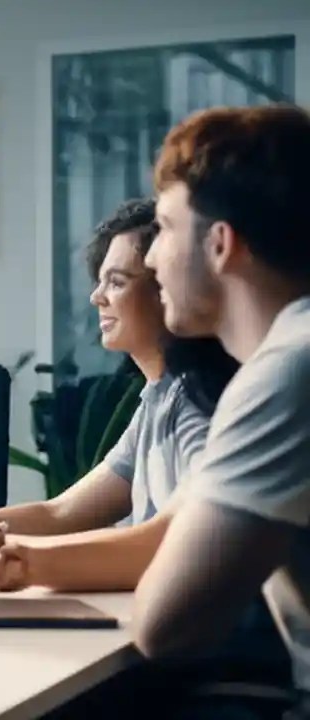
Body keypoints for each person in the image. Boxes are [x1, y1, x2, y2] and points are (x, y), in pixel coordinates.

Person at [0, 200, 237, 596]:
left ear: (167, 288)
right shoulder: (159, 398)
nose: (96, 297)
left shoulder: (199, 406)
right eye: (99, 282)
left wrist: (25, 561)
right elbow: (61, 512)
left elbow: (188, 540)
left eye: (116, 282)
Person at [133, 105, 310, 710]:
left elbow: (165, 625)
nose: (151, 258)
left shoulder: (288, 371)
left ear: (220, 244)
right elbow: (170, 534)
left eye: (163, 228)